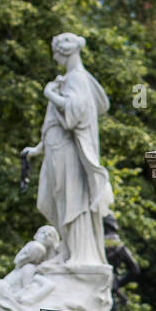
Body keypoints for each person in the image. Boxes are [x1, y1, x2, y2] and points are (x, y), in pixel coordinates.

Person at [20, 31, 114, 269]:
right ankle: (67, 250)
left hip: (67, 153)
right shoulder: (68, 78)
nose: (55, 58)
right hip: (54, 150)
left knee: (70, 200)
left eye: (55, 53)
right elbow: (54, 125)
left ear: (66, 51)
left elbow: (76, 113)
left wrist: (50, 94)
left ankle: (77, 255)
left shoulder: (77, 78)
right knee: (52, 198)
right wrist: (37, 149)